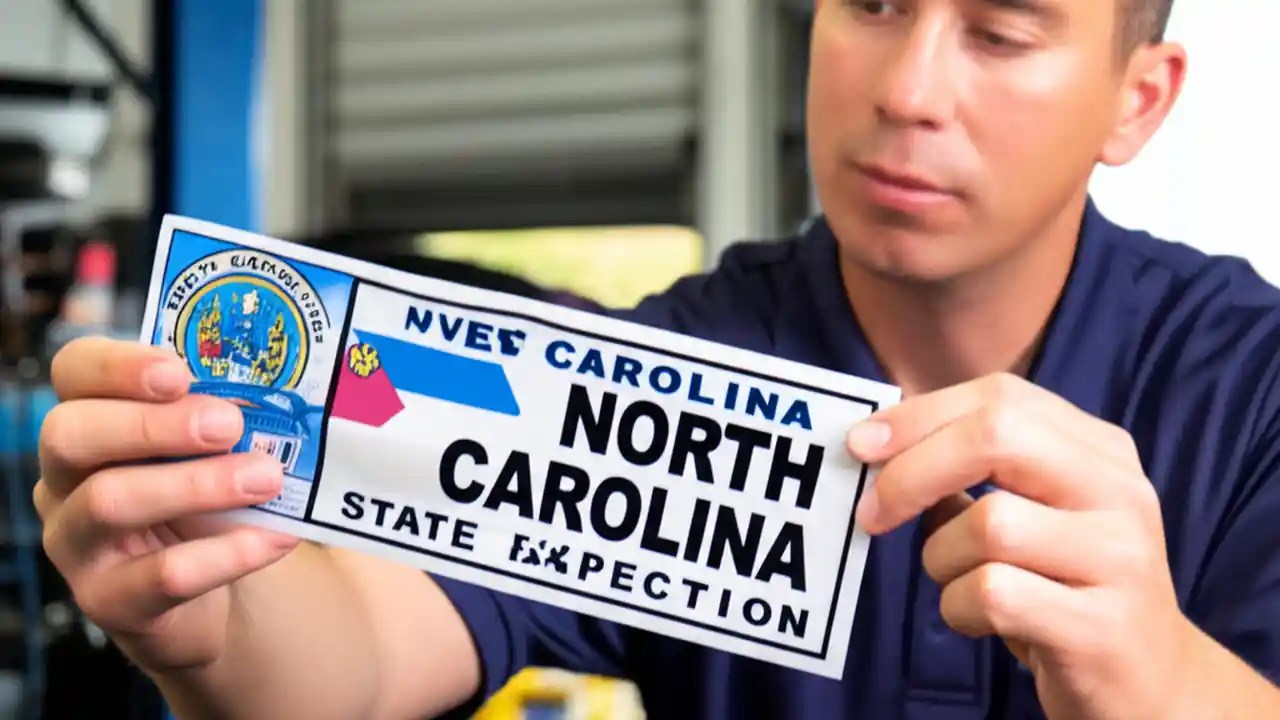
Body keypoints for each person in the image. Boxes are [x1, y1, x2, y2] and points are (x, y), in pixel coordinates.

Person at [31, 0, 1280, 717]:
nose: (906, 89)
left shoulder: (1252, 390)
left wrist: (1163, 676)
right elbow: (362, 650)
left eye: (1001, 31)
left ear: (1137, 100)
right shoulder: (671, 360)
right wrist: (210, 617)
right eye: (875, 5)